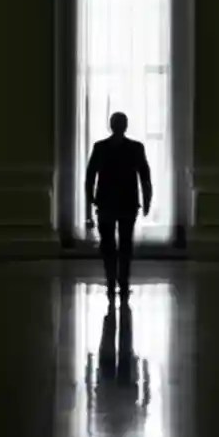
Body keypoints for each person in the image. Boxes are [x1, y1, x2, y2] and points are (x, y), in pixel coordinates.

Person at [84, 112, 152, 302]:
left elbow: (90, 177)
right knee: (125, 245)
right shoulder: (136, 148)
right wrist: (147, 201)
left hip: (106, 203)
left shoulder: (100, 147)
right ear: (125, 126)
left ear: (110, 125)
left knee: (108, 246)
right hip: (127, 203)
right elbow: (145, 177)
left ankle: (112, 282)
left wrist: (90, 200)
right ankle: (122, 283)